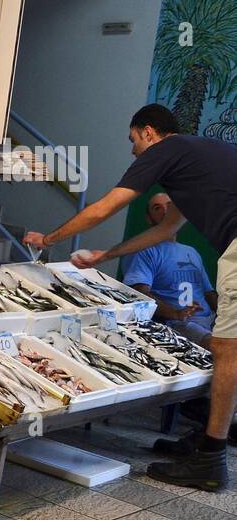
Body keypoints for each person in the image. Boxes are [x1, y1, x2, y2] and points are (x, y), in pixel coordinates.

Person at [23, 103, 237, 491]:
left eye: (133, 140)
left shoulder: (164, 152)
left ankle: (211, 458)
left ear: (149, 132)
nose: (132, 150)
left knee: (227, 349)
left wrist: (48, 239)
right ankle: (214, 434)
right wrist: (106, 256)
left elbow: (106, 206)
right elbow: (165, 229)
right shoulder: (197, 158)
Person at [120, 193, 217, 347]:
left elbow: (209, 292)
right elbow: (139, 294)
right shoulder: (145, 250)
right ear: (149, 218)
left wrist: (225, 314)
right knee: (225, 350)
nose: (165, 211)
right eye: (157, 208)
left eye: (170, 206)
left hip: (212, 320)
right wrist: (176, 313)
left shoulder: (191, 252)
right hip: (179, 324)